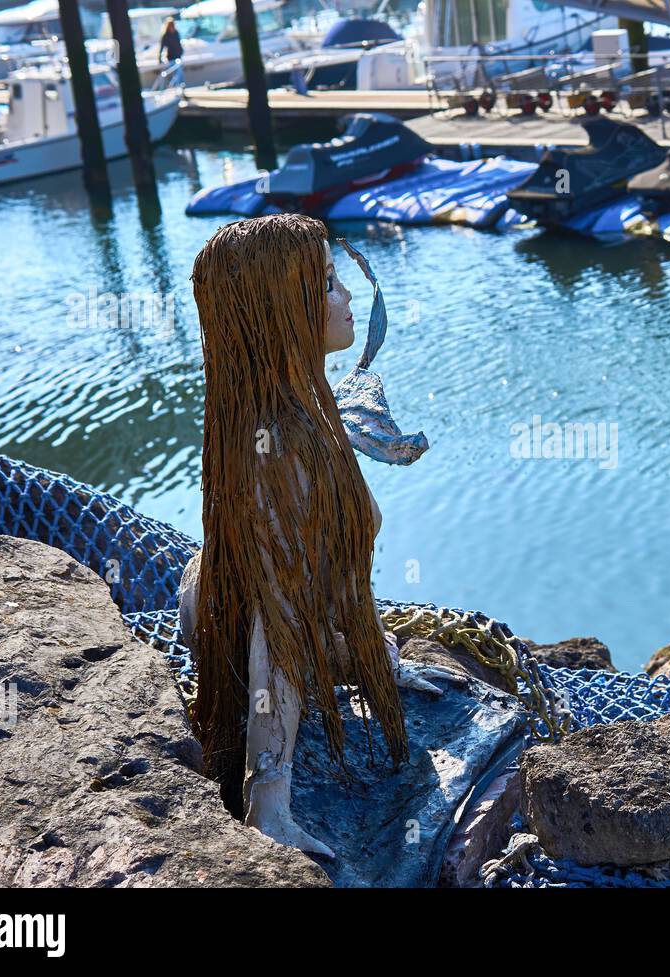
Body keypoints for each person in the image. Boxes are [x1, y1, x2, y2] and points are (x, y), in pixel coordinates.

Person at [181, 215, 409, 857]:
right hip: (238, 629)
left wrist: (375, 660)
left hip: (246, 602)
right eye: (328, 284)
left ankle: (373, 659)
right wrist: (269, 802)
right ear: (282, 309)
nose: (347, 299)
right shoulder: (278, 450)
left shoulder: (301, 410)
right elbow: (277, 635)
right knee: (290, 628)